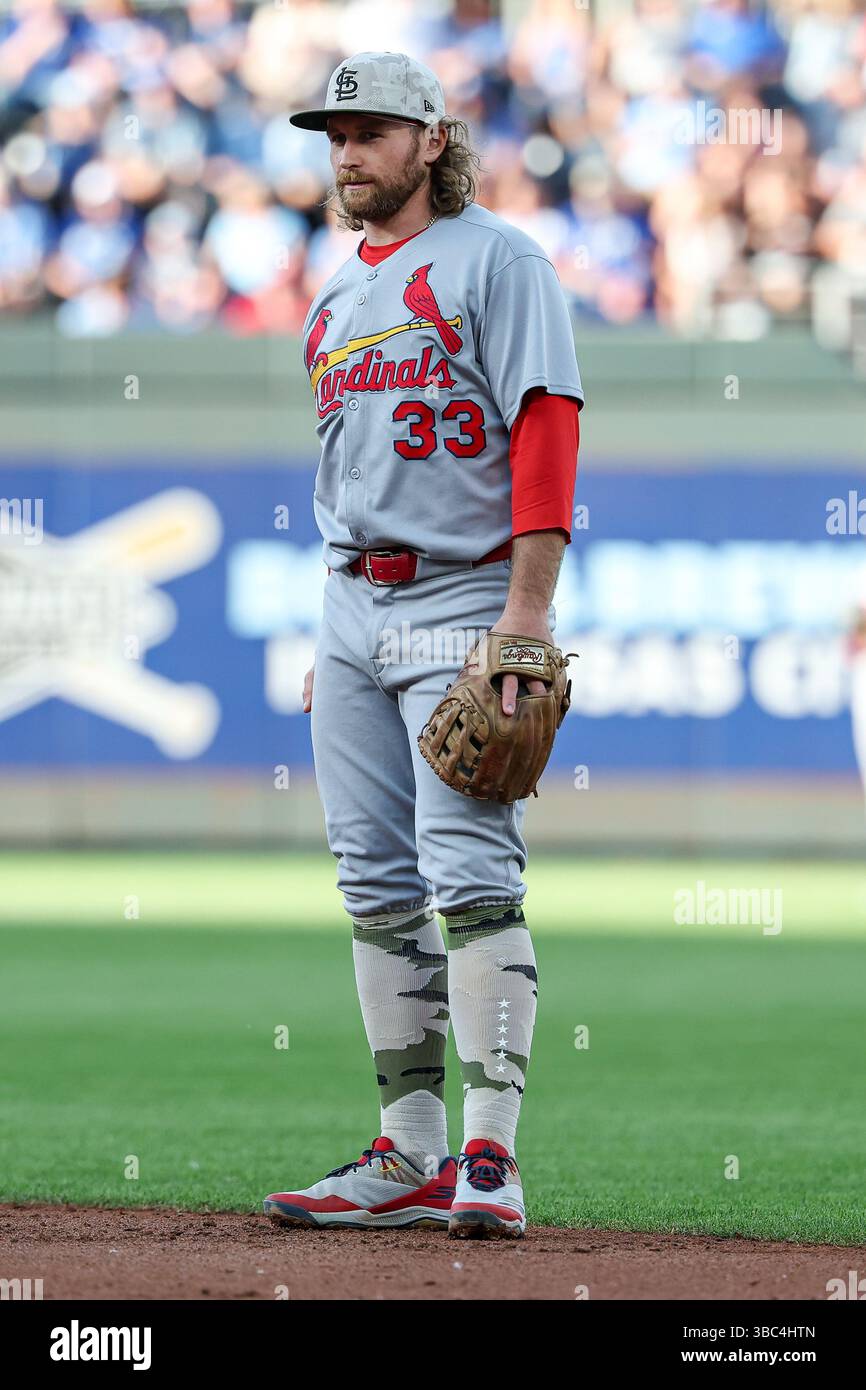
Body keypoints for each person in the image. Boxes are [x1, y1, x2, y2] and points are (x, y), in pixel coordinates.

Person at [263, 50, 583, 1239]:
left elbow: (544, 427)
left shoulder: (498, 259)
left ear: (432, 139)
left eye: (372, 130)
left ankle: (489, 1156)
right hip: (352, 603)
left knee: (468, 873)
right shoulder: (334, 293)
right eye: (334, 132)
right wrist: (333, 628)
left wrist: (525, 616)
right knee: (374, 884)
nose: (347, 150)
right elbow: (349, 466)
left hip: (464, 598)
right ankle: (408, 1157)